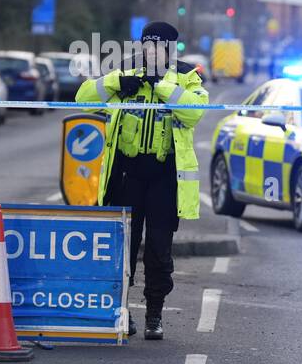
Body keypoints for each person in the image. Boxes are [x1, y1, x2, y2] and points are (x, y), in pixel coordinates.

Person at [76, 22, 208, 340]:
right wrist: (116, 82)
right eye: (146, 46)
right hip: (128, 175)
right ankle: (123, 311)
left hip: (165, 177)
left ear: (170, 49)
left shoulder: (187, 76)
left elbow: (194, 112)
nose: (151, 52)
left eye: (158, 46)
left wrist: (160, 86)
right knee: (124, 248)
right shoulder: (125, 72)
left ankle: (154, 314)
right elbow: (82, 99)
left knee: (159, 251)